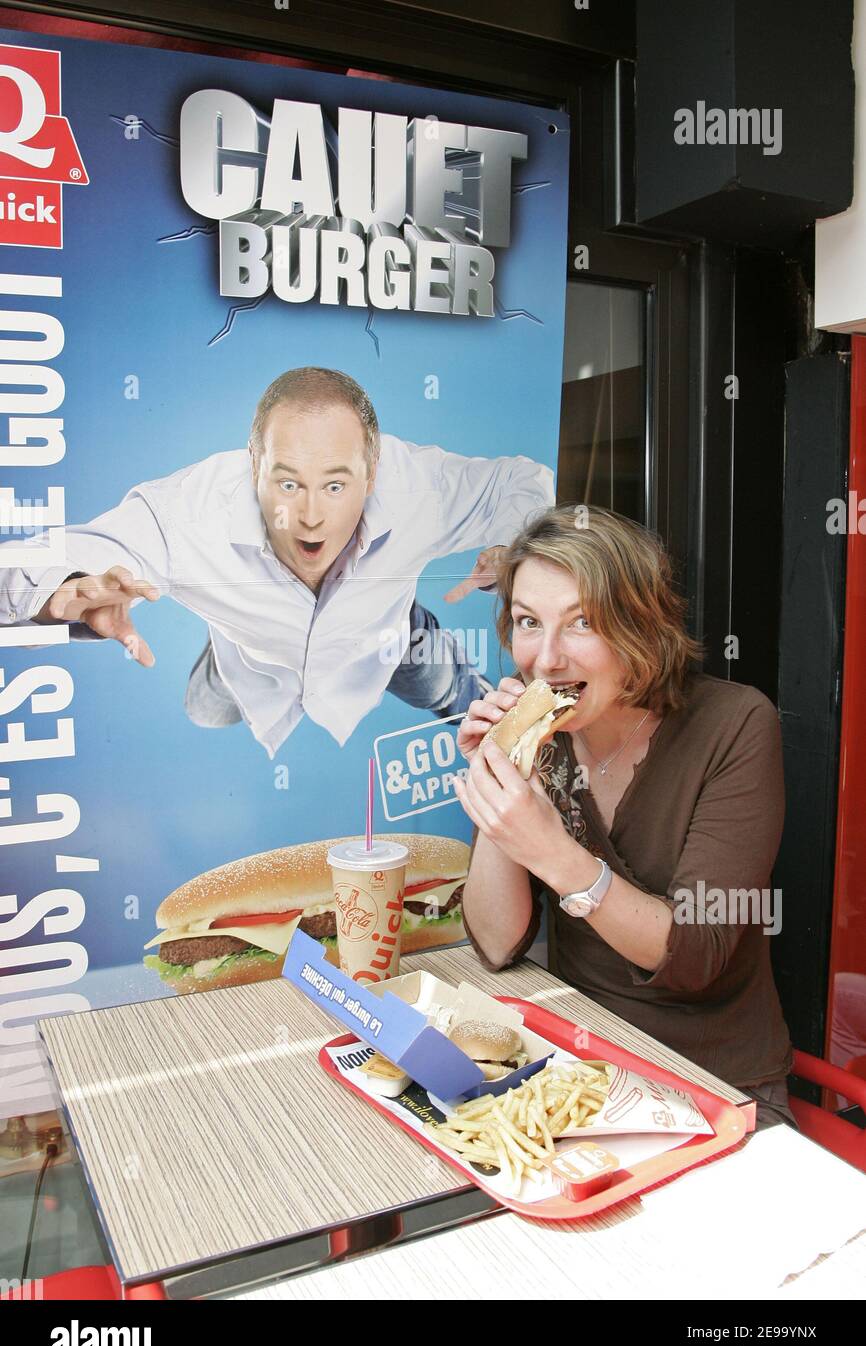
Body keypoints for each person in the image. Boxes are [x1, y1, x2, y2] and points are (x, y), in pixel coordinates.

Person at [453, 504, 798, 1132]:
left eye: (582, 622)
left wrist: (555, 855)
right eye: (529, 622)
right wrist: (505, 771)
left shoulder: (737, 725)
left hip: (714, 1084)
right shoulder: (542, 736)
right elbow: (496, 944)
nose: (547, 659)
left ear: (641, 626)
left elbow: (694, 956)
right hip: (577, 1072)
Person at [0, 367, 553, 756]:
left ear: (374, 468)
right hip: (252, 654)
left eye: (336, 485)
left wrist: (515, 544)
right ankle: (230, 635)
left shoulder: (417, 487)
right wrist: (61, 587)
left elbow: (522, 479)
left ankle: (411, 625)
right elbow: (43, 559)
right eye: (288, 482)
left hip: (380, 639)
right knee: (208, 710)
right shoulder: (191, 507)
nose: (311, 516)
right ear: (253, 464)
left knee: (442, 686)